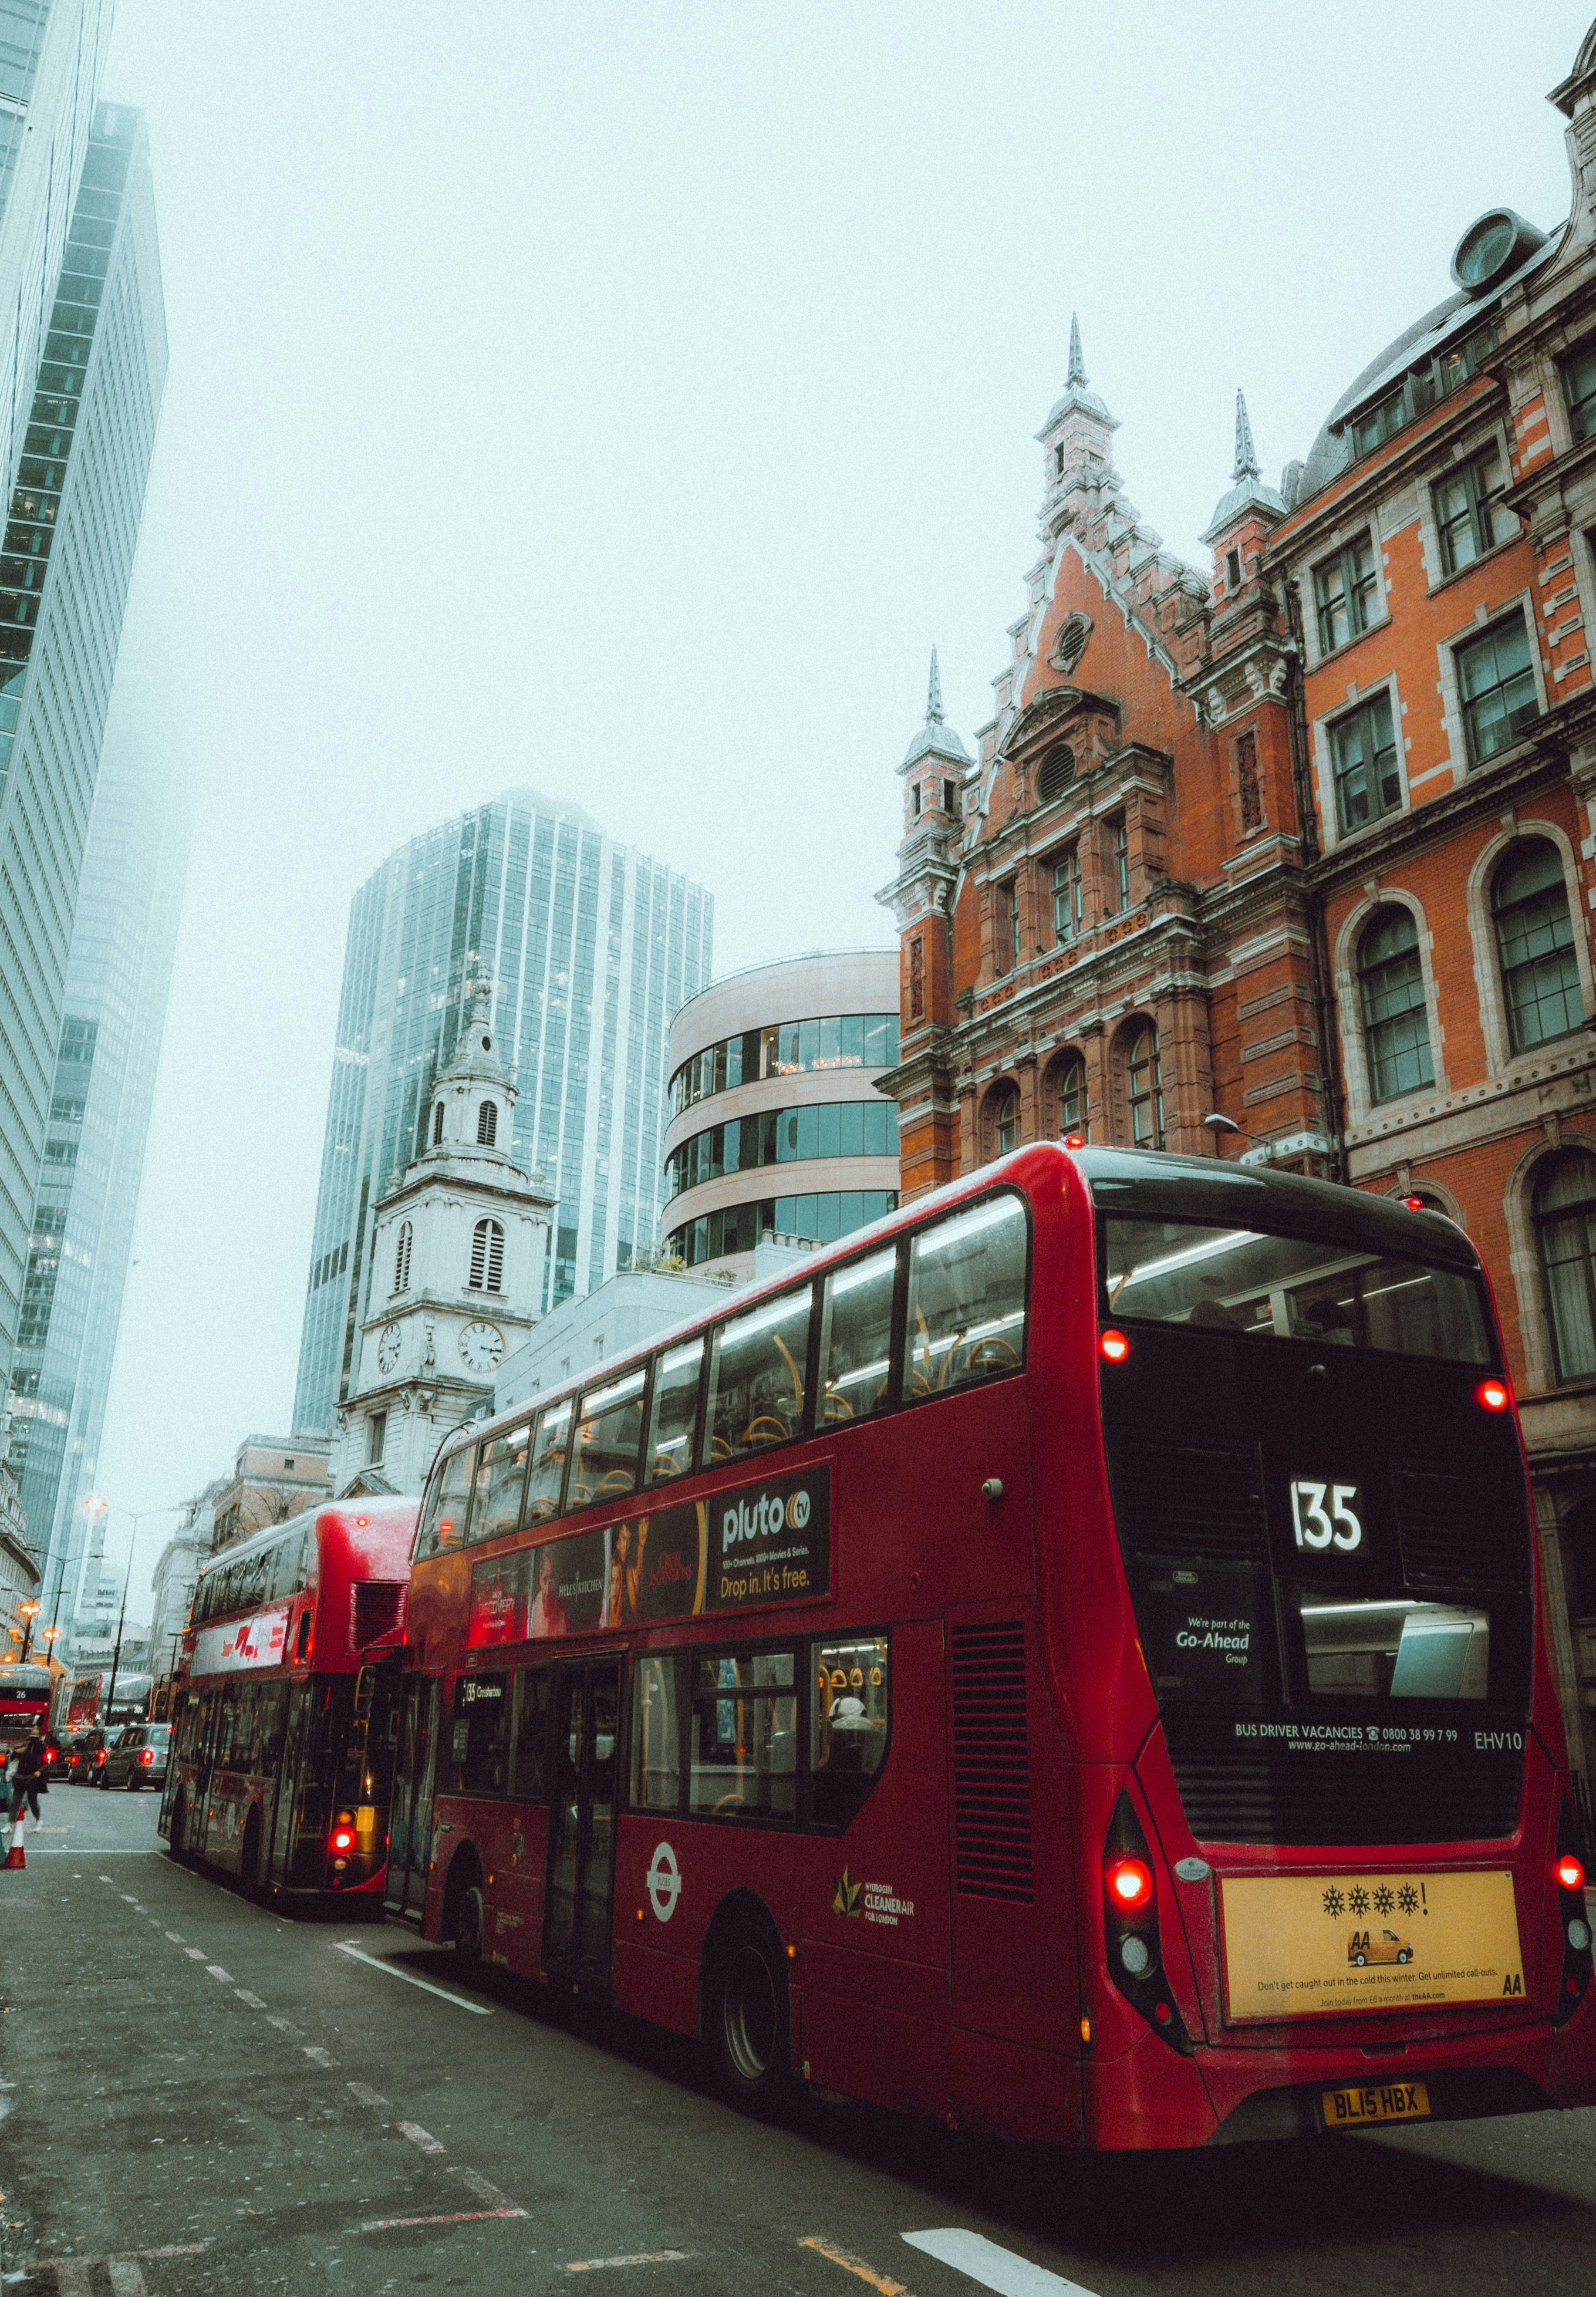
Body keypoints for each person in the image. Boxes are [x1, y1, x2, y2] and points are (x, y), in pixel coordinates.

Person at [9, 1726, 48, 1823]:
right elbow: (14, 1758)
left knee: (33, 1802)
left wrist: (39, 1771)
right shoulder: (25, 1745)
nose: (33, 1736)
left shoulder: (41, 1747)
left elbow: (46, 1763)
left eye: (36, 1734)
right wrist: (17, 1752)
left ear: (39, 1735)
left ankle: (38, 1820)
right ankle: (10, 1824)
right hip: (20, 1777)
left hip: (32, 1778)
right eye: (32, 1734)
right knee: (15, 1802)